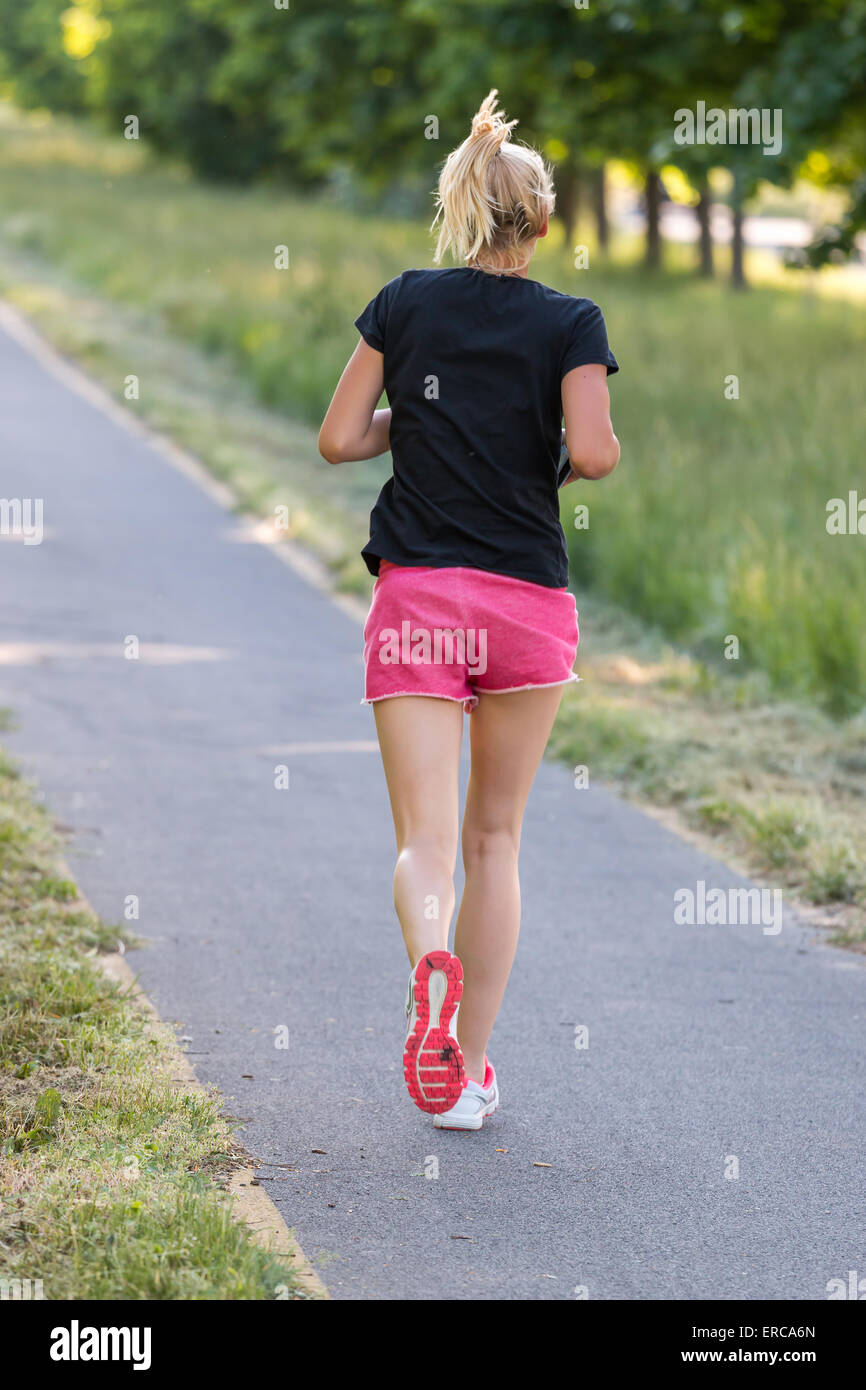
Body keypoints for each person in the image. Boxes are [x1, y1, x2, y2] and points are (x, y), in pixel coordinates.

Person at [318, 91, 619, 1130]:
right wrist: (539, 429)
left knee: (425, 844)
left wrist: (431, 417)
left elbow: (341, 437)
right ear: (539, 225)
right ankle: (469, 1072)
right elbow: (589, 452)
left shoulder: (402, 303)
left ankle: (427, 965)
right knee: (495, 838)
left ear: (457, 209)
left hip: (416, 595)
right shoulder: (571, 322)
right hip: (524, 602)